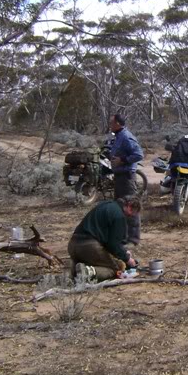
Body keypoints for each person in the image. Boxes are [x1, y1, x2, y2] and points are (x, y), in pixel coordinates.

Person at [68, 195, 141, 281]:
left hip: (73, 245)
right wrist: (127, 259)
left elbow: (106, 240)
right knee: (117, 268)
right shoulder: (119, 216)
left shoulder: (107, 204)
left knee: (100, 261)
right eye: (133, 213)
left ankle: (75, 270)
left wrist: (123, 252)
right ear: (129, 206)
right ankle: (88, 272)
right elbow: (113, 244)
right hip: (88, 247)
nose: (131, 216)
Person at [108, 114, 144, 245]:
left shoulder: (126, 136)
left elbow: (139, 154)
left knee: (131, 206)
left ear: (118, 123)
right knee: (120, 207)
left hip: (127, 178)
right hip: (119, 178)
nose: (110, 125)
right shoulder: (118, 136)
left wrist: (122, 160)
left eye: (111, 122)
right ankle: (123, 236)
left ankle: (133, 239)